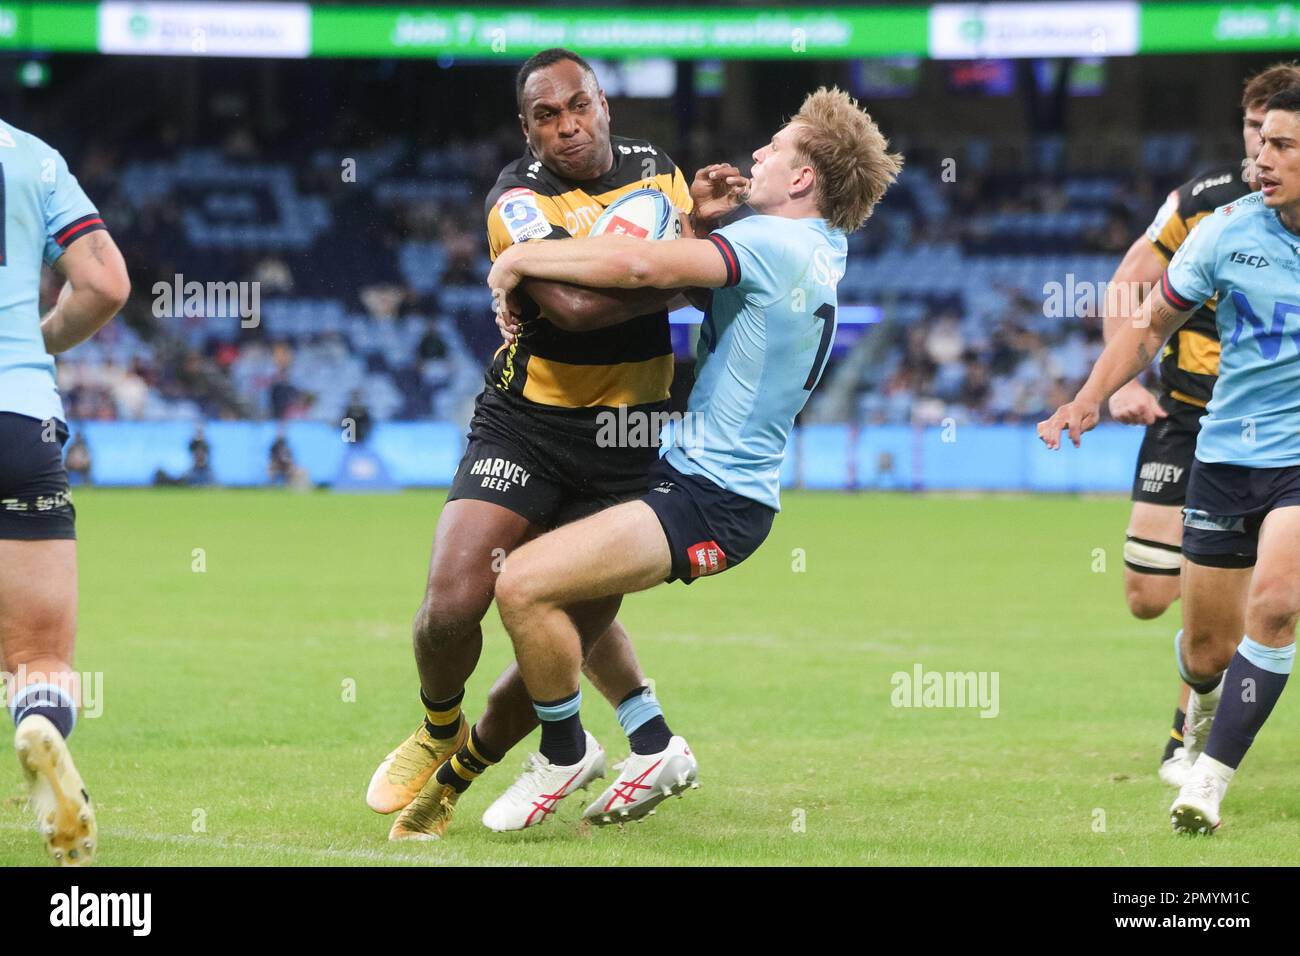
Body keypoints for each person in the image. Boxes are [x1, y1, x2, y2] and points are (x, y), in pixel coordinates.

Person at [482, 86, 902, 828]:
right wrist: (695, 219)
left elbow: (643, 271)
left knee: (522, 585)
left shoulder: (772, 243)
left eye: (777, 147)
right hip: (702, 478)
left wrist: (519, 256)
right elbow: (692, 282)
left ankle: (563, 750)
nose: (760, 155)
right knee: (575, 587)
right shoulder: (820, 249)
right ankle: (651, 742)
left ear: (804, 179)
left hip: (713, 497)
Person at [368, 47, 749, 839]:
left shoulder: (659, 170)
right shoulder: (516, 197)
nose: (566, 126)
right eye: (547, 116)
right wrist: (679, 270)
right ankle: (440, 725)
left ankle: (476, 768)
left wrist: (691, 238)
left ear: (605, 103)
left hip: (629, 435)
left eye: (579, 106)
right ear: (527, 127)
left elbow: (655, 269)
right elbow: (573, 310)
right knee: (450, 608)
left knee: (558, 620)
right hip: (529, 421)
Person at [1038, 86, 1300, 835]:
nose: (1263, 157)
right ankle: (1199, 701)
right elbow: (1150, 325)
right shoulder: (1223, 230)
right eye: (1261, 141)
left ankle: (1208, 784)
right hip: (1224, 453)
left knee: (1277, 608)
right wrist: (1088, 399)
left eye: (1283, 145)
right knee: (1207, 648)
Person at [0, 117, 130, 864]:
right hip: (19, 420)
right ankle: (38, 724)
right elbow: (106, 284)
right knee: (38, 657)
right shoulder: (34, 157)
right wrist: (35, 342)